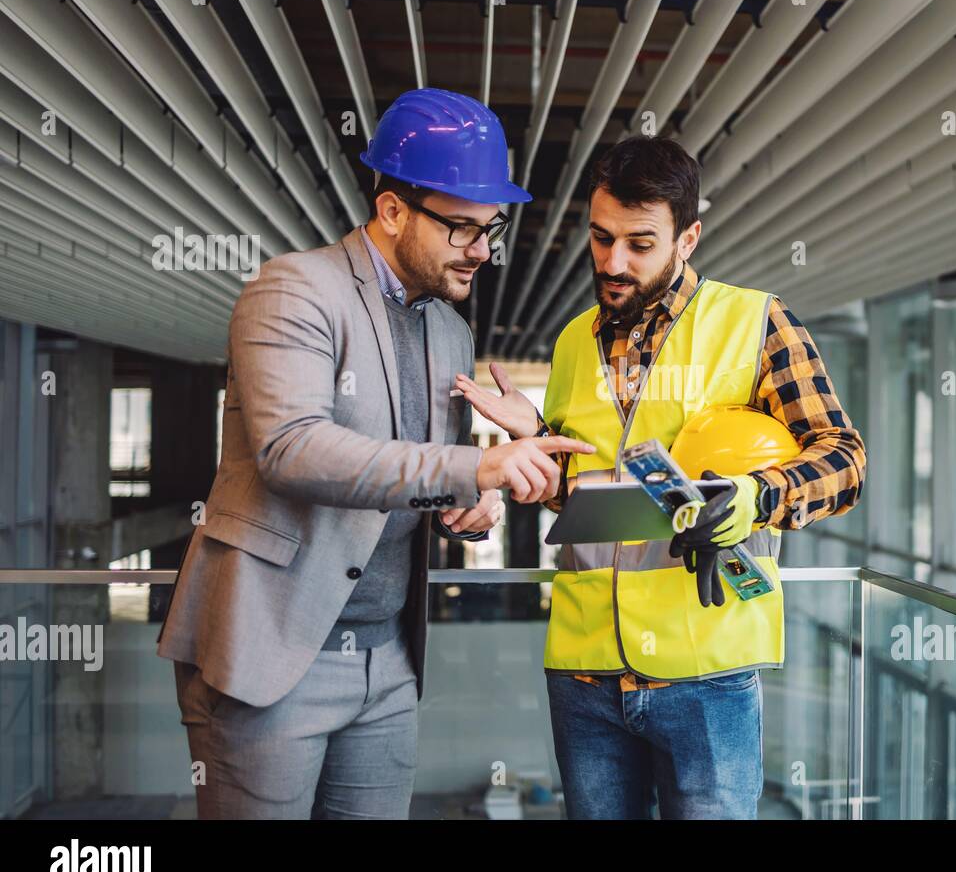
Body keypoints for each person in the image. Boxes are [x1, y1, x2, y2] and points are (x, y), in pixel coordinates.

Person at [157, 88, 593, 819]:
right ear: (392, 210)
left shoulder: (450, 331)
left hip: (388, 661)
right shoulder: (294, 290)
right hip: (273, 652)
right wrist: (471, 467)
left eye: (492, 229)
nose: (483, 251)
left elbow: (420, 475)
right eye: (461, 228)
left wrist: (470, 506)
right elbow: (292, 450)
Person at [455, 135, 866, 819]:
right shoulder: (571, 340)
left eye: (640, 243)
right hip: (585, 673)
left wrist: (759, 496)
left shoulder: (757, 322)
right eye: (601, 238)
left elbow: (844, 460)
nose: (613, 262)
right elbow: (582, 489)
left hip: (706, 673)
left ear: (689, 237)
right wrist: (532, 441)